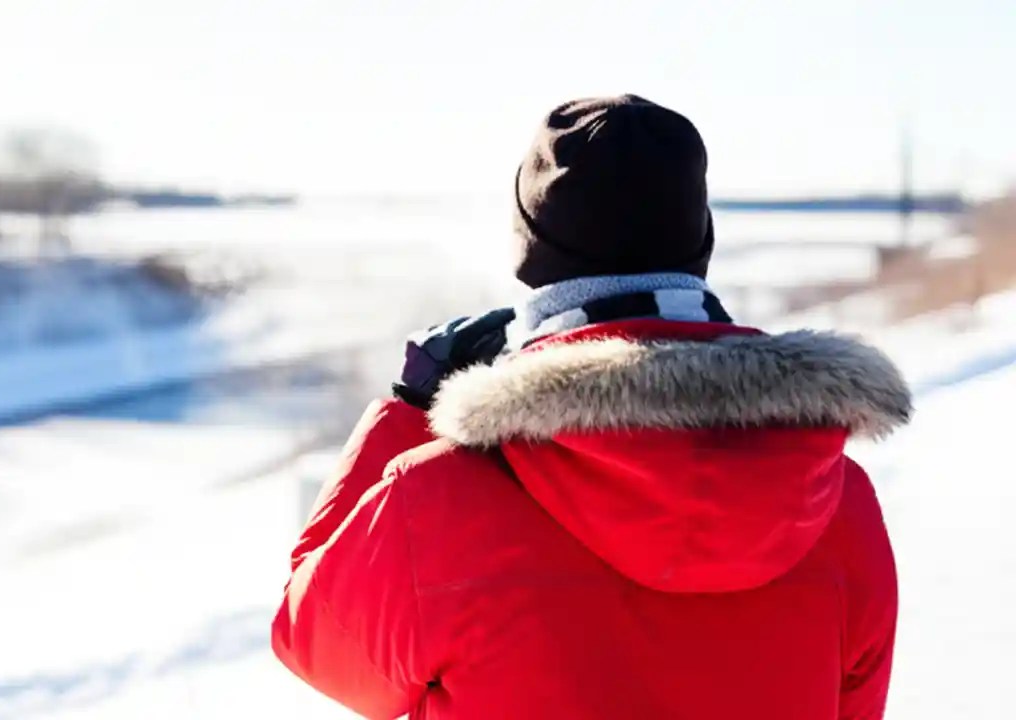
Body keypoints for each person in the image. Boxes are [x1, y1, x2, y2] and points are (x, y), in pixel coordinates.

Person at [271, 95, 910, 719]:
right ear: (699, 244)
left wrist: (409, 410)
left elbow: (313, 638)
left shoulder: (434, 499)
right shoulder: (833, 499)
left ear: (530, 248)